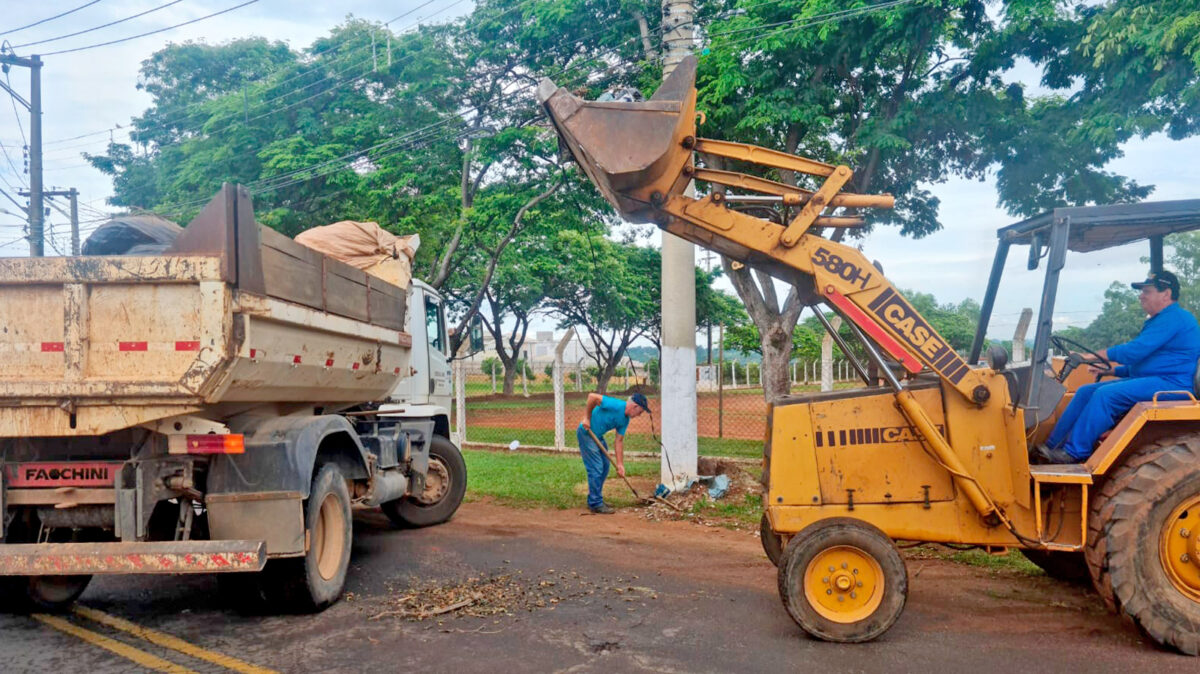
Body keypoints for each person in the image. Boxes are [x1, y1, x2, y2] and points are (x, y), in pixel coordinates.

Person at [1034, 270, 1200, 464]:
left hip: (1174, 383)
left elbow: (1134, 352)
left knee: (1106, 395)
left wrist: (1089, 356)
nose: (1141, 296)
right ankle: (1051, 447)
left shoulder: (1175, 318)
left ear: (1166, 294)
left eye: (1147, 291)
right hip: (1158, 379)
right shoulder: (1160, 320)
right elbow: (1147, 364)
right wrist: (1112, 370)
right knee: (1086, 391)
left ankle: (1074, 452)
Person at [577, 392, 651, 514]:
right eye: (640, 412)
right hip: (586, 433)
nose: (639, 415)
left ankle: (595, 498)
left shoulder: (625, 420)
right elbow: (592, 397)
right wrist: (587, 418)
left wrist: (620, 464)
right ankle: (595, 503)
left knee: (605, 467)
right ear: (635, 406)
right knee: (596, 468)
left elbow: (619, 441)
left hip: (598, 437)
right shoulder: (616, 405)